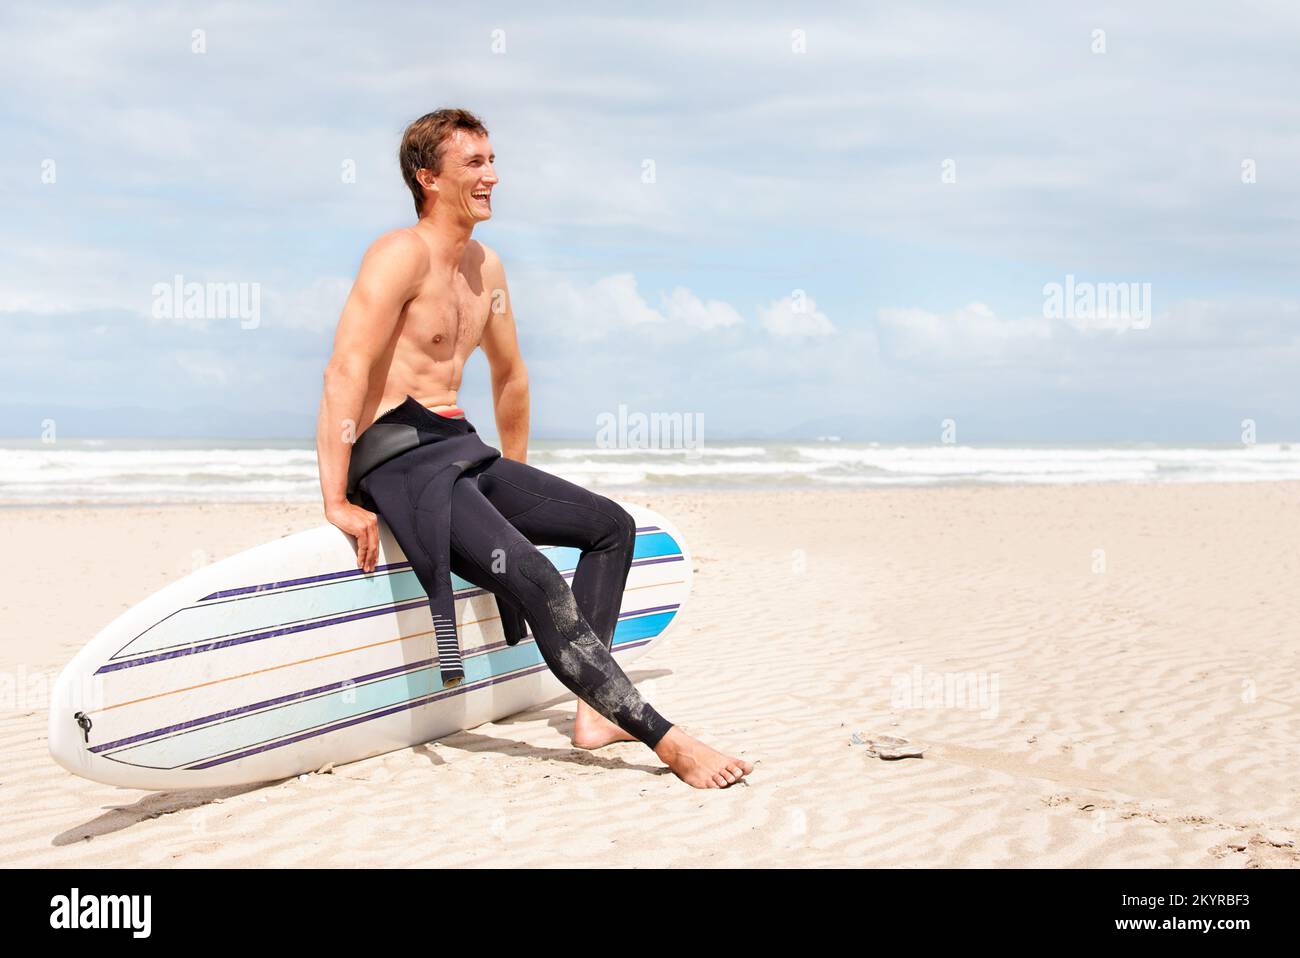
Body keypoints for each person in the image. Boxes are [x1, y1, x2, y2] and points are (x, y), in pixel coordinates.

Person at [315, 109, 752, 788]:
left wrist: (513, 478)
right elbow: (345, 369)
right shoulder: (399, 254)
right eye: (474, 165)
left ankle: (593, 707)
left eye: (493, 160)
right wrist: (337, 498)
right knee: (542, 581)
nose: (492, 176)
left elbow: (510, 374)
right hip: (399, 457)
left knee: (611, 527)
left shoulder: (485, 266)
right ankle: (668, 742)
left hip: (460, 449)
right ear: (428, 178)